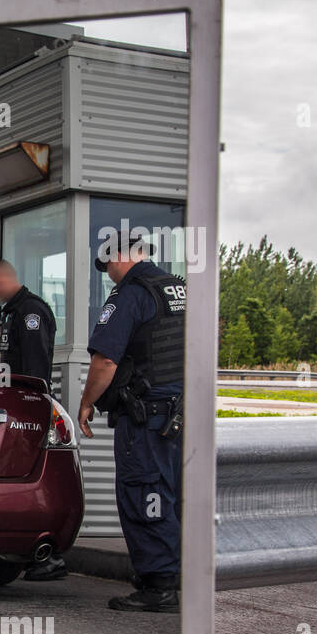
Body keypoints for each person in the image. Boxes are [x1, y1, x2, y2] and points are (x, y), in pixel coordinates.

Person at [77, 232, 185, 612]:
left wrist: (86, 403)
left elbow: (105, 361)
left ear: (119, 255)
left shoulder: (131, 293)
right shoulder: (180, 290)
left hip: (148, 421)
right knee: (174, 496)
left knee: (145, 493)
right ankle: (172, 577)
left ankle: (158, 586)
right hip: (184, 416)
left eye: (107, 265)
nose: (108, 274)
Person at [0, 259, 67, 581]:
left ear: (7, 279)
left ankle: (49, 555)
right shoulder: (13, 311)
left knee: (33, 476)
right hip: (15, 406)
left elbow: (34, 365)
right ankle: (28, 549)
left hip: (29, 407)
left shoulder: (30, 312)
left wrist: (30, 404)